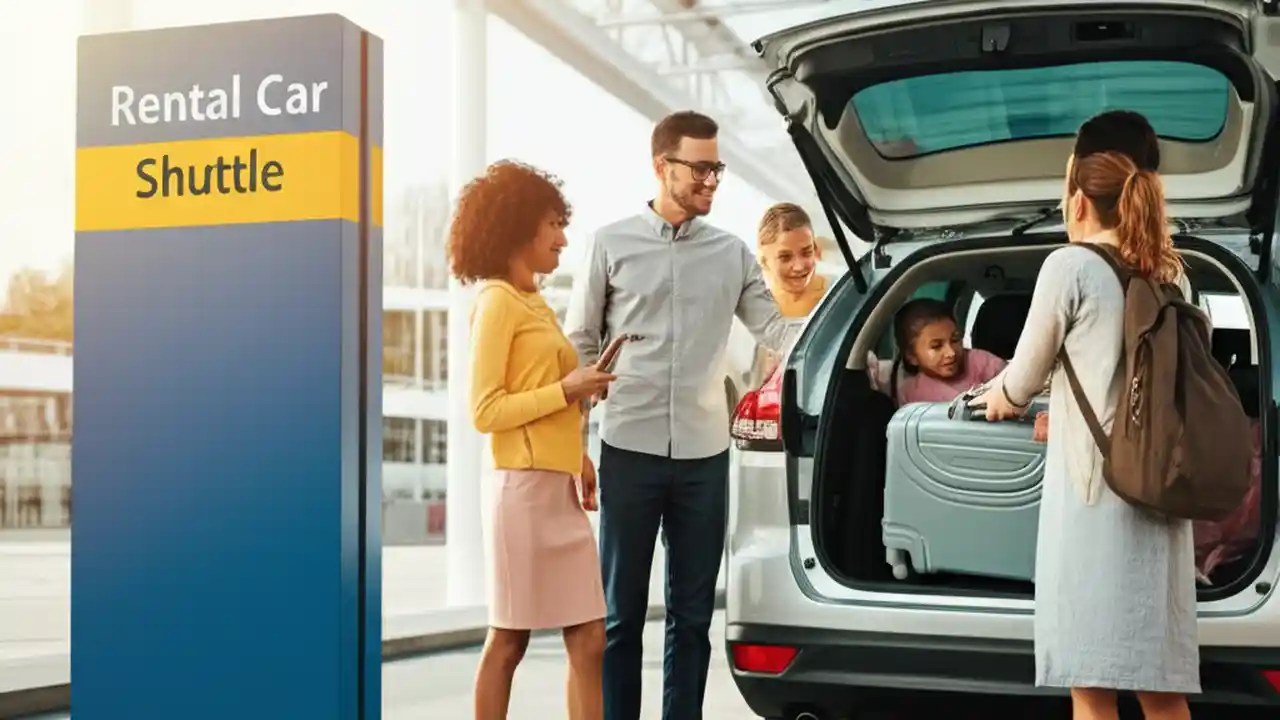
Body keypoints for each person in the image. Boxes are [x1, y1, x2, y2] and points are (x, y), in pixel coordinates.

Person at [564, 111, 795, 720]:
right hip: (627, 451)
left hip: (703, 457)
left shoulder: (732, 253)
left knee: (692, 621)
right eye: (700, 168)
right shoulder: (609, 244)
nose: (712, 180)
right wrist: (576, 447)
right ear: (662, 167)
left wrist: (845, 327)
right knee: (620, 618)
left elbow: (775, 328)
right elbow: (580, 346)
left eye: (716, 168)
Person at [969, 113, 1199, 720]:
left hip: (1095, 501)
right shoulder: (1172, 273)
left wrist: (1000, 399)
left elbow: (1019, 380)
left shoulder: (1068, 267)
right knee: (1161, 691)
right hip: (1160, 493)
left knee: (1091, 687)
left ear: (1077, 193)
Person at [451, 159, 616, 720]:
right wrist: (568, 388)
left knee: (591, 637)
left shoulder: (536, 302)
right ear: (520, 225)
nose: (563, 238)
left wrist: (579, 453)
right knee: (509, 640)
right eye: (553, 224)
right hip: (519, 494)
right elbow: (486, 410)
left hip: (558, 489)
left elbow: (550, 393)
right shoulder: (497, 301)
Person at [741, 202, 828, 388]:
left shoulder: (838, 296)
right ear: (764, 261)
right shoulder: (757, 312)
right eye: (785, 257)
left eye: (806, 252)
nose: (799, 266)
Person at [869, 298, 1006, 405]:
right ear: (912, 356)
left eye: (955, 339)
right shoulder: (912, 394)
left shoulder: (982, 363)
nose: (950, 352)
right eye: (936, 346)